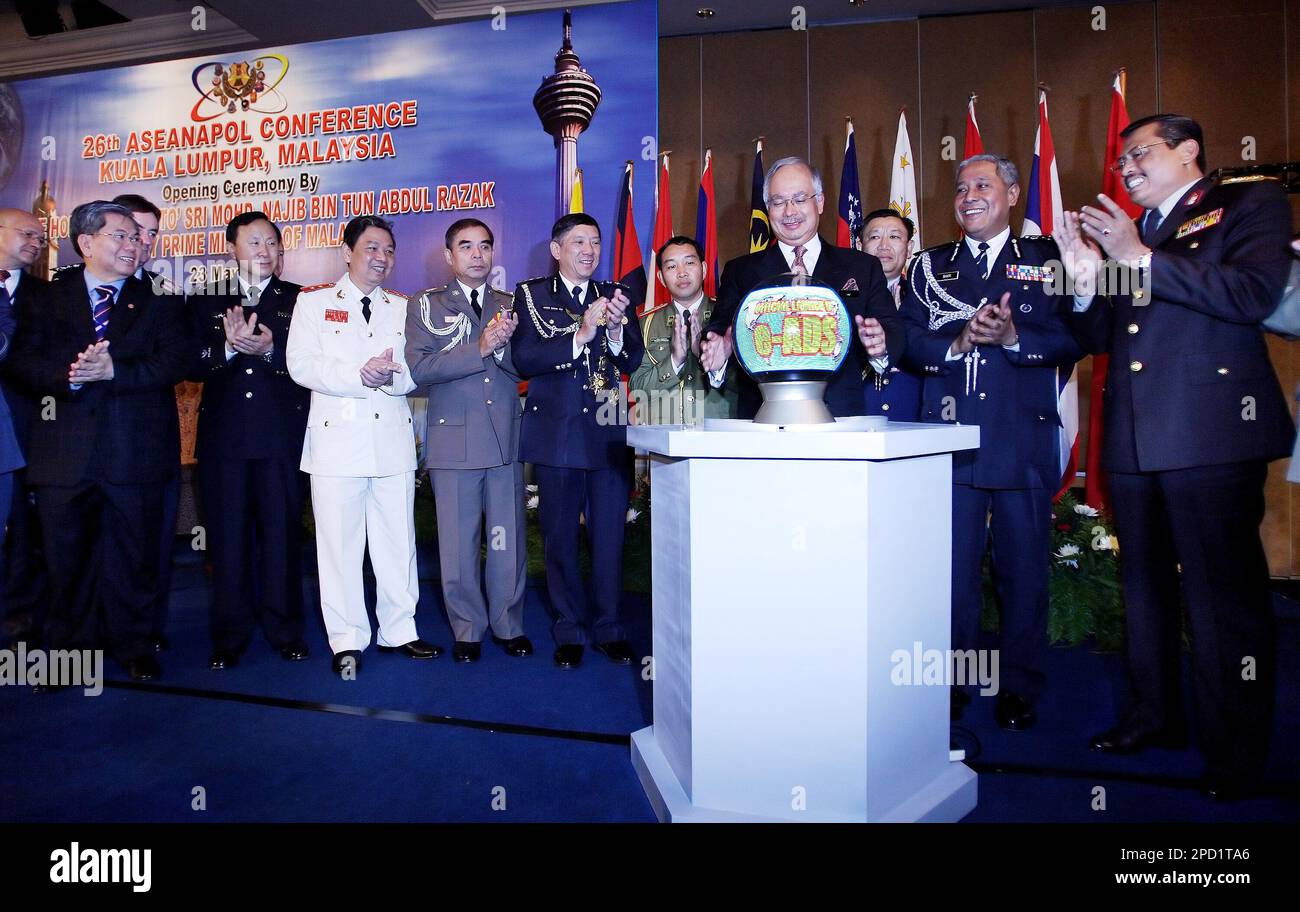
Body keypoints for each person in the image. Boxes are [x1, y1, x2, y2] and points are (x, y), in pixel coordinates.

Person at [1059, 114, 1295, 799]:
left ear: (1190, 150)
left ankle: (1236, 753)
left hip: (1212, 434)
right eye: (1122, 158)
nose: (1127, 167)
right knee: (1145, 592)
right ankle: (1153, 717)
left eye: (1142, 153)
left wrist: (1137, 257)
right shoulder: (1134, 235)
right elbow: (1103, 331)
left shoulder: (1247, 204)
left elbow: (1252, 294)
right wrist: (1084, 280)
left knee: (1225, 604)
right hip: (1135, 437)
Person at [902, 154, 1086, 731]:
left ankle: (1019, 684)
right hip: (950, 440)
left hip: (1019, 437)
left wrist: (1013, 337)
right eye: (960, 188)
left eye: (982, 185)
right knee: (951, 573)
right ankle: (955, 679)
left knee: (1022, 572)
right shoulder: (929, 265)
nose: (969, 195)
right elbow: (908, 337)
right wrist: (955, 344)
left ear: (1011, 193)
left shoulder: (1046, 259)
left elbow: (1073, 338)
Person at [7, 201, 189, 681]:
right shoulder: (45, 297)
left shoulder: (160, 298)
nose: (134, 245)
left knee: (136, 555)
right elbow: (21, 362)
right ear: (86, 243)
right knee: (66, 559)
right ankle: (70, 654)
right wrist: (69, 377)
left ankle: (134, 645)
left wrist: (115, 370)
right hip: (64, 455)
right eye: (122, 236)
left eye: (137, 237)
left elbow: (176, 361)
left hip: (137, 452)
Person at [287, 215, 439, 678]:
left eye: (389, 250)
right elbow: (301, 364)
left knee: (398, 543)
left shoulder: (403, 305)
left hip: (391, 441)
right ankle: (347, 639)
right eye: (372, 247)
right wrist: (358, 375)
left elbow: (417, 368)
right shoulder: (313, 302)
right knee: (339, 547)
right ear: (347, 252)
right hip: (337, 445)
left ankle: (401, 629)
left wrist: (393, 378)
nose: (381, 257)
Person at [511, 213, 644, 668]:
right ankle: (568, 627)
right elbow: (524, 358)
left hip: (607, 433)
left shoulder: (614, 296)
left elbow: (632, 359)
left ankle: (608, 626)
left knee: (609, 537)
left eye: (595, 242)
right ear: (556, 250)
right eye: (578, 242)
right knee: (559, 538)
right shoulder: (531, 295)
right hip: (557, 436)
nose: (588, 250)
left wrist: (612, 329)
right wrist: (579, 336)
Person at [406, 218, 531, 663]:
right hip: (454, 444)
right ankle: (467, 629)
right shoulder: (427, 304)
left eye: (484, 246)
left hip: (503, 443)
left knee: (504, 539)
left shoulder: (513, 303)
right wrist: (478, 346)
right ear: (448, 256)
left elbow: (527, 366)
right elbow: (420, 369)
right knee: (458, 545)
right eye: (466, 247)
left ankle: (508, 623)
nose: (477, 254)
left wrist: (501, 349)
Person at [191, 211, 311, 670]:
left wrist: (271, 352)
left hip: (281, 439)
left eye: (272, 243)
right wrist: (224, 348)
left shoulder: (299, 300)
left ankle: (286, 631)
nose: (264, 251)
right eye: (254, 243)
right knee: (227, 541)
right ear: (232, 249)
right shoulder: (204, 299)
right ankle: (229, 636)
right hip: (224, 443)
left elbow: (307, 363)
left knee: (282, 538)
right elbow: (187, 359)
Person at [699, 156, 902, 417]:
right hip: (763, 422)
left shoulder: (861, 267)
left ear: (819, 202)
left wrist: (882, 345)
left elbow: (893, 328)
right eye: (778, 202)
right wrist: (722, 351)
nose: (789, 211)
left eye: (799, 199)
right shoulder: (741, 271)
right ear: (767, 208)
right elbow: (717, 331)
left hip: (840, 422)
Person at [113, 193, 178, 654]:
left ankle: (144, 634)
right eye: (135, 231)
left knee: (150, 542)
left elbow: (173, 363)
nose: (143, 242)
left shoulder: (163, 295)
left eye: (152, 234)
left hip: (149, 439)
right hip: (83, 442)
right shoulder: (69, 288)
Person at [629, 235, 738, 424]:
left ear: (703, 269)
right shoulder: (645, 324)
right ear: (661, 278)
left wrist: (712, 363)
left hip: (718, 436)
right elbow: (637, 388)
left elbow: (747, 387)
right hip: (663, 439)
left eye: (689, 263)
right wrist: (674, 361)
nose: (681, 272)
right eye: (671, 266)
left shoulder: (730, 319)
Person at [0, 208, 46, 645]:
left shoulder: (45, 296)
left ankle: (20, 618)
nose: (37, 242)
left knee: (23, 527)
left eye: (42, 236)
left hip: (26, 429)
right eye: (28, 233)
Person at [861, 208, 922, 420]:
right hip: (859, 415)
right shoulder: (842, 299)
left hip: (913, 415)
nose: (884, 246)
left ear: (909, 247)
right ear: (859, 246)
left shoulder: (924, 298)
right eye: (875, 237)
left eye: (894, 237)